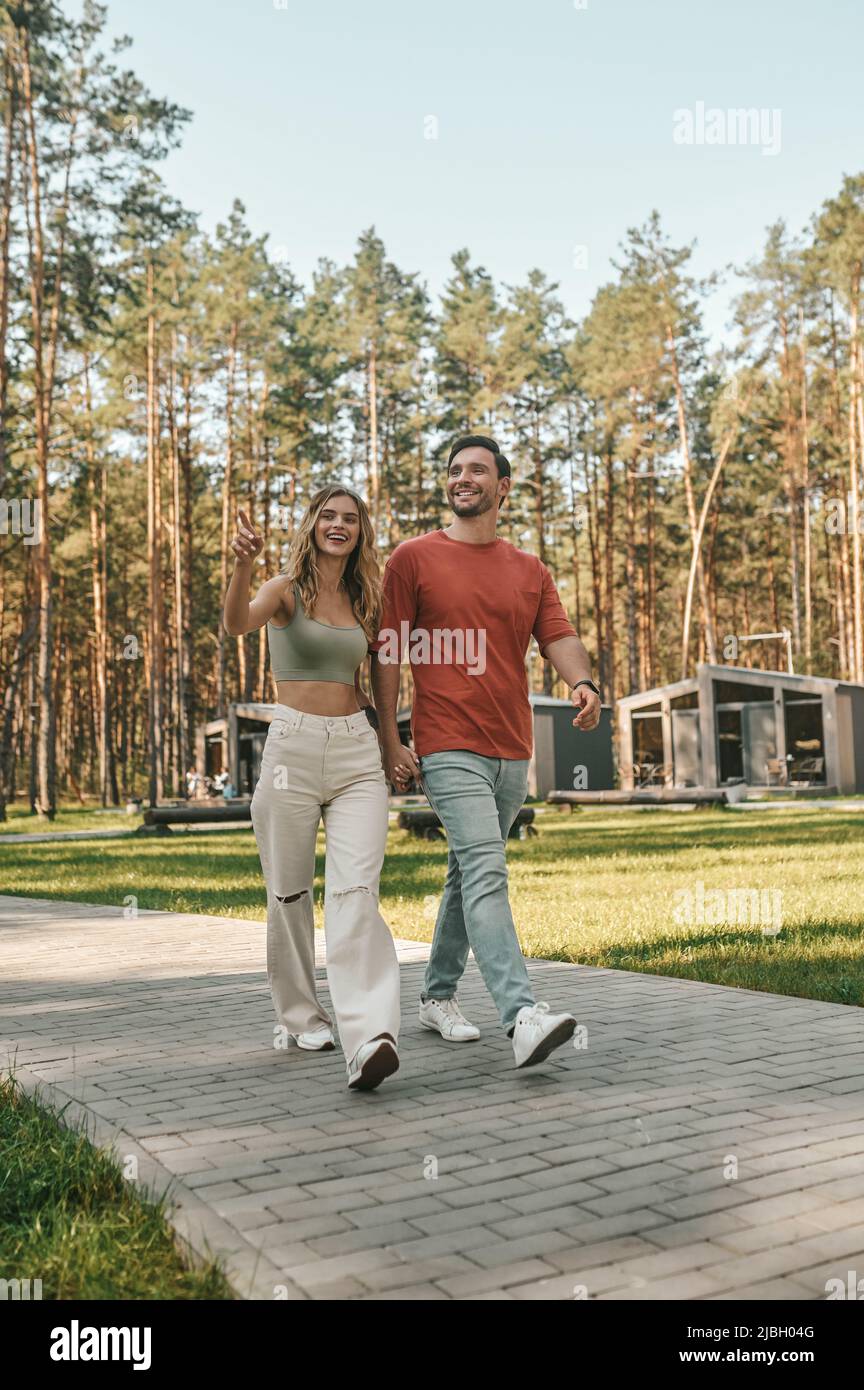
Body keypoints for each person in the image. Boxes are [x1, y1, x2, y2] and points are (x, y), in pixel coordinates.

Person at [371, 435, 601, 1068]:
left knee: (467, 872)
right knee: (486, 867)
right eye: (454, 470)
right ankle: (522, 1014)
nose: (463, 478)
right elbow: (388, 652)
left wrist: (582, 683)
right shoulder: (412, 559)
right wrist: (393, 737)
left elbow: (559, 636)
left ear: (503, 488)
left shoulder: (529, 570)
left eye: (477, 470)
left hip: (512, 748)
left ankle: (436, 995)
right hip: (447, 742)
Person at [223, 486, 400, 1091]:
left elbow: (378, 674)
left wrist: (392, 743)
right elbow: (234, 622)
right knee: (290, 893)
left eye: (351, 518)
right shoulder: (284, 589)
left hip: (355, 747)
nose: (339, 525)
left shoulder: (364, 595)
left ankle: (372, 1033)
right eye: (329, 515)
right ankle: (301, 1016)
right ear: (312, 523)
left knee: (356, 890)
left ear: (360, 531)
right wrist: (243, 563)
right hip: (291, 749)